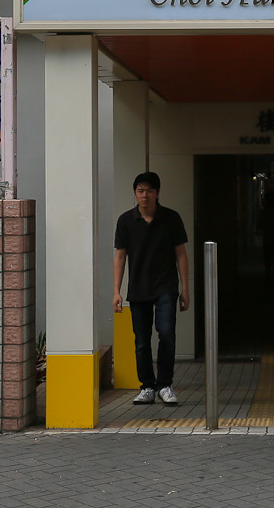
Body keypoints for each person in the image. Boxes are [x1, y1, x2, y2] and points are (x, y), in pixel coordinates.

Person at [113, 171, 190, 405]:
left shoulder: (171, 218)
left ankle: (165, 384)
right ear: (135, 193)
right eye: (140, 191)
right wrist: (116, 290)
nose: (144, 195)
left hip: (166, 285)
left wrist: (185, 289)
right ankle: (147, 386)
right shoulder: (126, 220)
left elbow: (181, 254)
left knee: (166, 333)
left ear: (157, 193)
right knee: (142, 340)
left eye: (149, 191)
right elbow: (120, 256)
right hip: (138, 287)